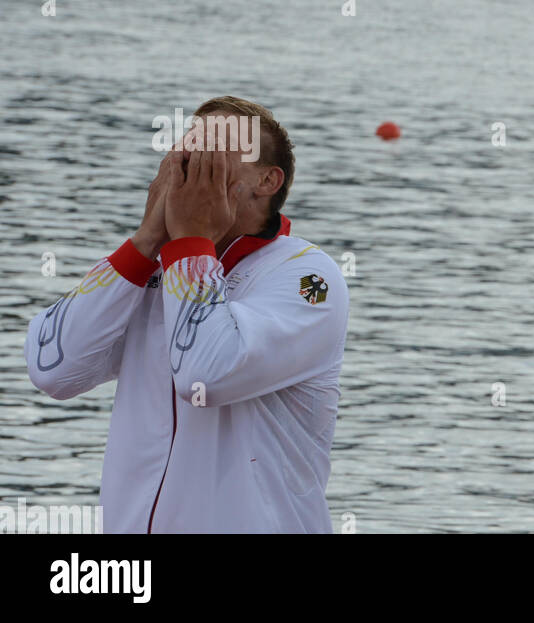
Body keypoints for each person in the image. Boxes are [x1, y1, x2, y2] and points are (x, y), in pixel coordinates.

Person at [24, 96, 349, 533]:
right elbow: (54, 370)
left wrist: (191, 242)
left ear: (268, 180)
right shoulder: (153, 266)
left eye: (221, 148)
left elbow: (206, 376)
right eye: (191, 143)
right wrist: (143, 243)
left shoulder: (308, 276)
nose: (197, 158)